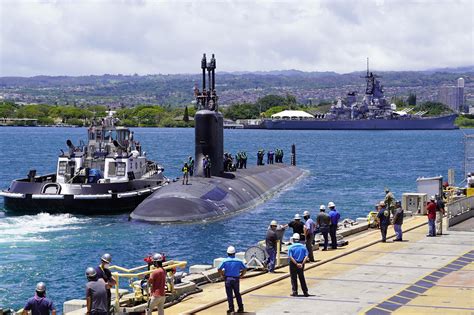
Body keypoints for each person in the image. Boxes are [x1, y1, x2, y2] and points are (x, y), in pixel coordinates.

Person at [218, 246, 247, 313]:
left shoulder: (225, 261)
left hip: (228, 279)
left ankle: (231, 309)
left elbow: (219, 269)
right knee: (237, 294)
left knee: (229, 295)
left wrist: (222, 275)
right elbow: (245, 268)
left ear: (227, 253)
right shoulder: (239, 261)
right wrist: (242, 275)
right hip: (236, 279)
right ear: (234, 253)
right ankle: (241, 308)